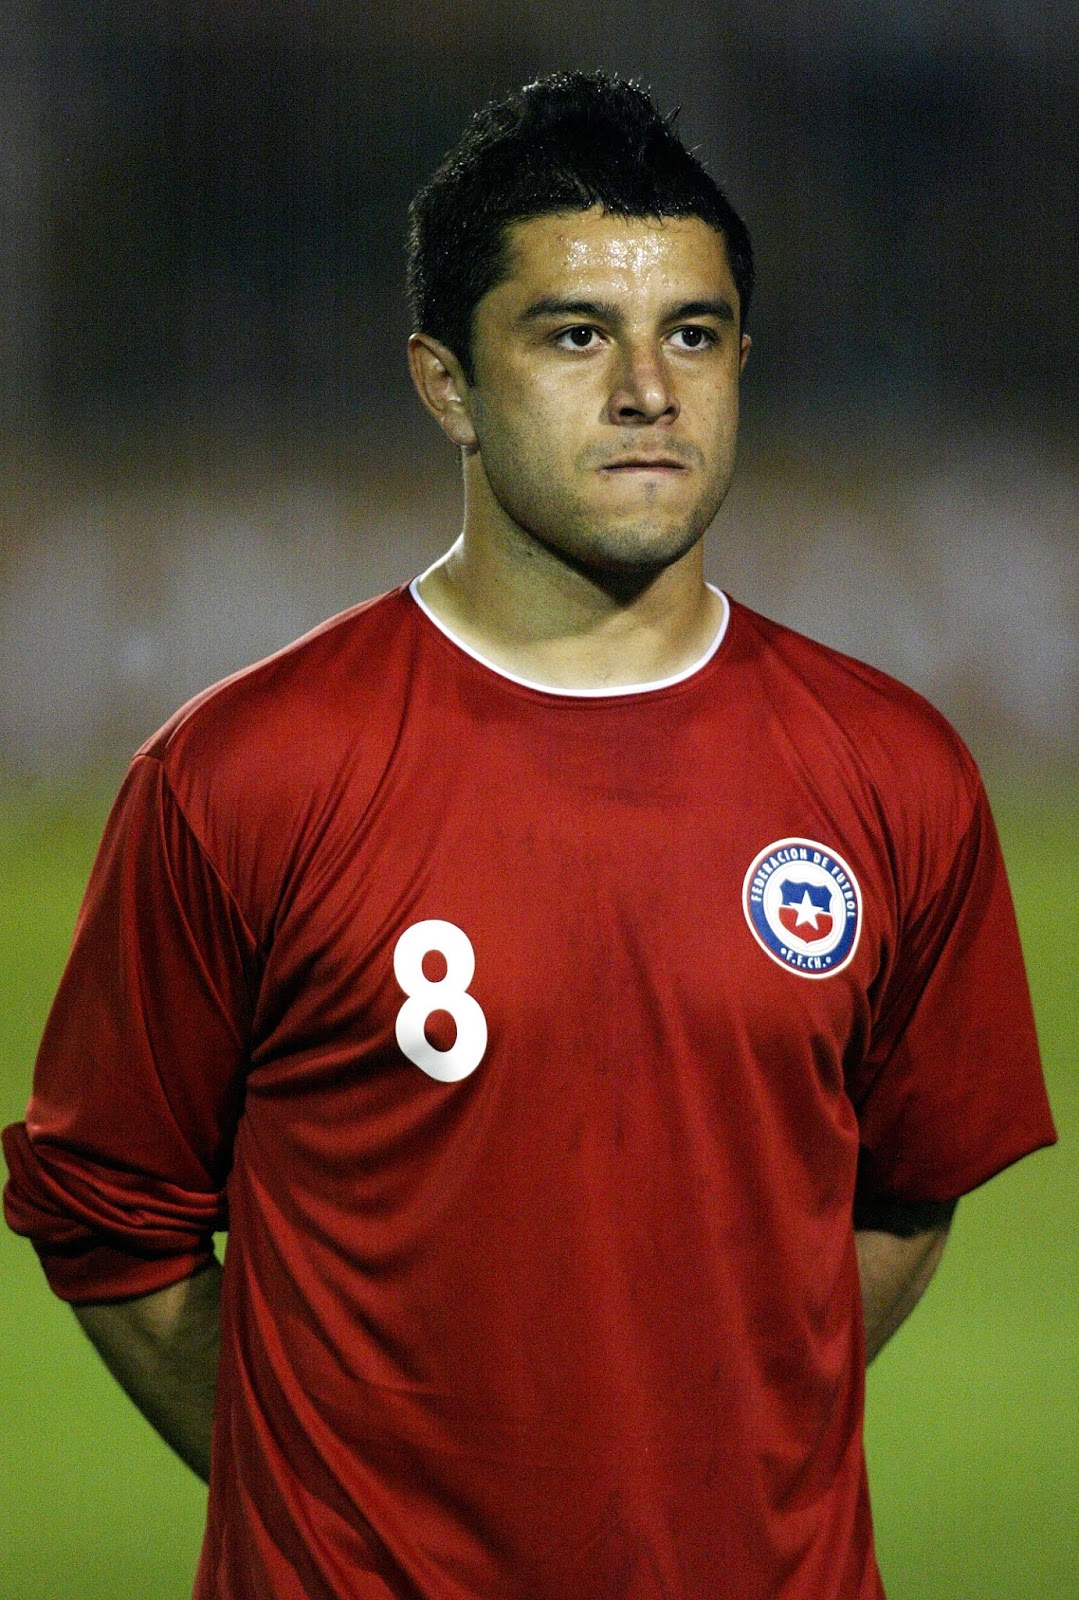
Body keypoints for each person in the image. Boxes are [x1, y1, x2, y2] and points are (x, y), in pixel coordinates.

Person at [3, 71, 1056, 1600]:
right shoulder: (246, 775)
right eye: (577, 334)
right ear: (446, 384)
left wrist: (717, 1443)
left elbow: (909, 1186)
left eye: (692, 335)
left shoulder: (893, 773)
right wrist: (338, 1495)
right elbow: (107, 1210)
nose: (649, 388)